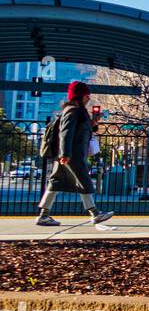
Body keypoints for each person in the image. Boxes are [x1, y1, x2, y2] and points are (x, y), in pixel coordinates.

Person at [35, 81, 114, 227]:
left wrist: (94, 122)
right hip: (72, 154)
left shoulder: (77, 110)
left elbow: (80, 129)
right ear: (79, 96)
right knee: (83, 179)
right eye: (86, 95)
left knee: (56, 182)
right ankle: (95, 213)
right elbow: (66, 132)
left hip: (67, 154)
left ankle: (43, 215)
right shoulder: (73, 110)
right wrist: (65, 153)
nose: (88, 98)